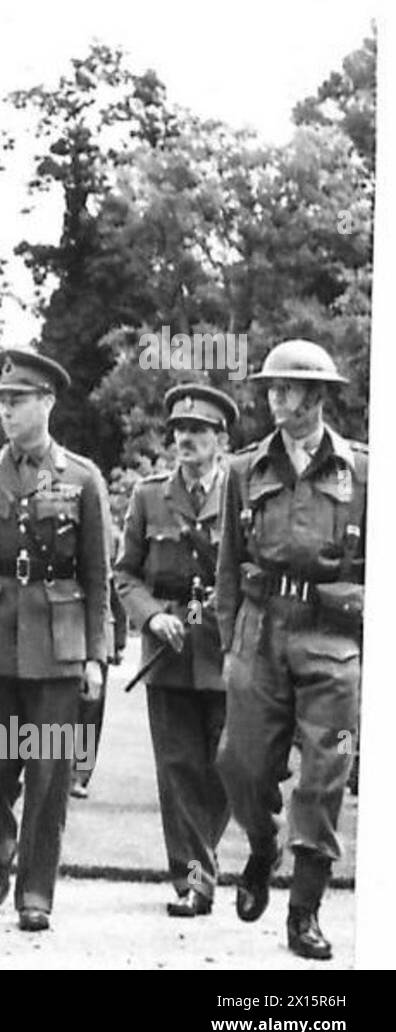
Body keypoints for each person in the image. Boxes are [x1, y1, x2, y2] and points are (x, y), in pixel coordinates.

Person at [0, 349, 111, 932]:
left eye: (16, 401)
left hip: (59, 642)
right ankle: (1, 832)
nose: (5, 411)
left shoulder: (83, 478)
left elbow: (96, 577)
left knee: (50, 769)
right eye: (1, 402)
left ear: (47, 403)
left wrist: (95, 654)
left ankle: (36, 891)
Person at [216, 341, 365, 961]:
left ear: (318, 395)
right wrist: (229, 643)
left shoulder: (364, 471)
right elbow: (228, 566)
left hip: (332, 639)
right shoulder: (245, 470)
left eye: (288, 387)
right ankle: (260, 843)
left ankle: (303, 912)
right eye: (271, 386)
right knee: (238, 764)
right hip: (260, 629)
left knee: (325, 776)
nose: (275, 396)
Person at [116, 384, 237, 916]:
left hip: (225, 648)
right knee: (178, 768)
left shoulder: (242, 493)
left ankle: (204, 861)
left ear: (220, 440)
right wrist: (151, 614)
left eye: (198, 431)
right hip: (168, 653)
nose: (186, 440)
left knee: (230, 766)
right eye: (180, 431)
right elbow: (125, 573)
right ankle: (194, 879)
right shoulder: (148, 496)